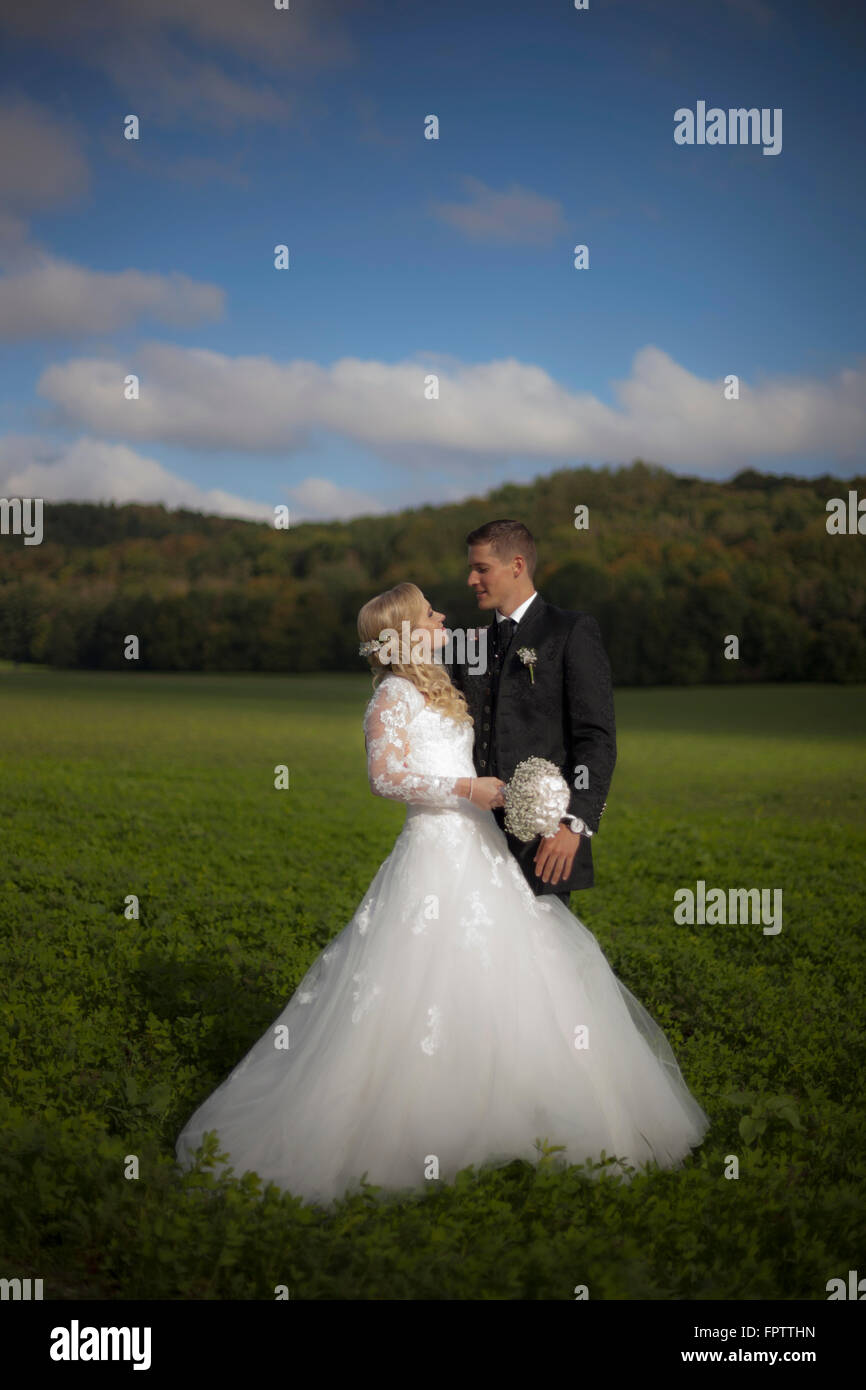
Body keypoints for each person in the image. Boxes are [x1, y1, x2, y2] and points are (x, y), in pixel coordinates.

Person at [175, 580, 709, 1209]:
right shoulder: (392, 695)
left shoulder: (442, 681)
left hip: (483, 847)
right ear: (405, 630)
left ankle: (519, 1107)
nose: (443, 615)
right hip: (433, 850)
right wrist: (465, 788)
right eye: (430, 612)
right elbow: (384, 777)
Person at [451, 519, 616, 906]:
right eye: (470, 569)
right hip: (472, 834)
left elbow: (596, 737)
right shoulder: (469, 643)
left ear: (517, 566)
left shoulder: (571, 630)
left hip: (544, 838)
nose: (471, 580)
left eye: (481, 569)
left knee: (541, 959)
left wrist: (573, 824)